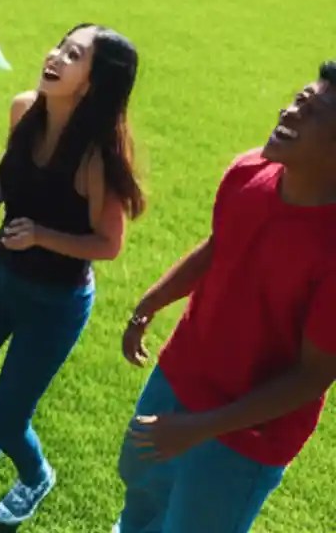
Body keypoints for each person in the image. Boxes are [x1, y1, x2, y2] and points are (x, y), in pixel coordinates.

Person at [0, 24, 145, 526]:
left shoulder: (96, 158)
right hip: (1, 274)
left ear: (90, 85)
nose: (55, 56)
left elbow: (108, 244)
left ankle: (35, 475)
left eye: (74, 56)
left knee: (9, 416)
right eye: (60, 46)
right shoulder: (26, 109)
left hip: (55, 302)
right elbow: (10, 170)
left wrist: (42, 236)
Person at [113, 62, 336, 533]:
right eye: (298, 98)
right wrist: (149, 304)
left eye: (312, 111)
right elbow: (219, 246)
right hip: (177, 378)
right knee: (141, 494)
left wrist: (201, 427)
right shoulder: (251, 169)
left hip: (247, 436)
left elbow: (311, 377)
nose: (289, 110)